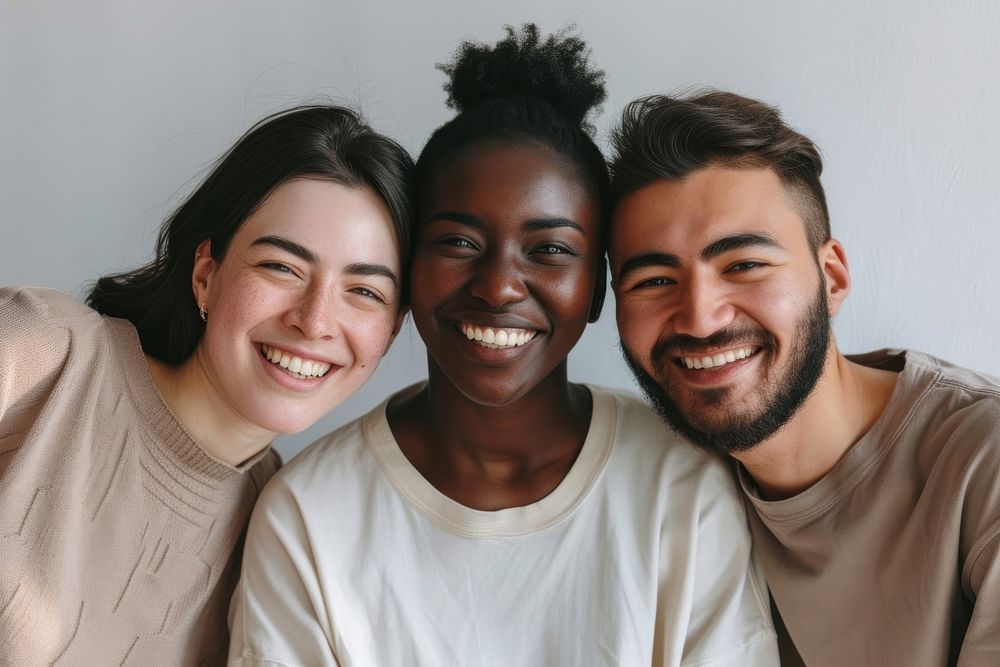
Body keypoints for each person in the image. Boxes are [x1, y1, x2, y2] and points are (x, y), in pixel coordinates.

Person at [229, 26, 777, 666]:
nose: (497, 287)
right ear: (407, 268)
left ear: (598, 290)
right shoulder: (309, 515)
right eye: (459, 242)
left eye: (549, 250)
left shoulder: (679, 488)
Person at [0, 105, 414, 664]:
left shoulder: (286, 526)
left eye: (365, 292)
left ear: (390, 332)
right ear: (206, 276)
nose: (315, 322)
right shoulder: (43, 351)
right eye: (281, 267)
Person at [607, 90, 1000, 666]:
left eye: (744, 265)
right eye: (653, 281)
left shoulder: (980, 465)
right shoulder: (667, 483)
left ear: (832, 278)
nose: (698, 317)